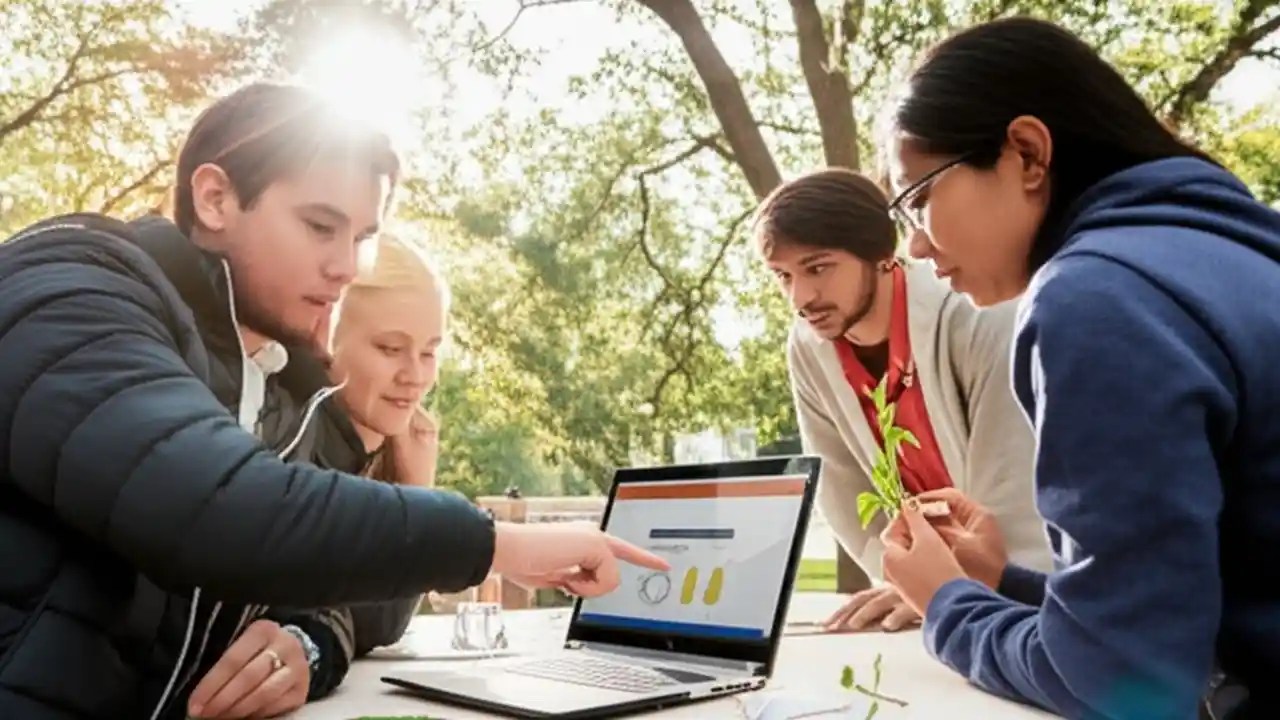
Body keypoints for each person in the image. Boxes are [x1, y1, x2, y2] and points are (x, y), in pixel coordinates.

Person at [0, 81, 666, 720]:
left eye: (361, 238)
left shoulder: (268, 386)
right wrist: (499, 544)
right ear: (214, 198)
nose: (347, 266)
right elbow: (217, 510)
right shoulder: (71, 289)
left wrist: (310, 641)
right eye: (321, 226)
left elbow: (352, 596)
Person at [875, 17, 1280, 720]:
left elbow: (1123, 682)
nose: (913, 247)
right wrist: (1002, 580)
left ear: (1028, 154)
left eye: (918, 198)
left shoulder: (1095, 299)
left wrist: (947, 605)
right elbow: (1191, 605)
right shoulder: (1234, 256)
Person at [752, 168, 1050, 633]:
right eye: (783, 276)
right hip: (937, 600)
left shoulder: (977, 315)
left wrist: (952, 586)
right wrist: (903, 575)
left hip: (1035, 590)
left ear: (879, 253)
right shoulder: (808, 346)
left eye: (817, 268)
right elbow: (840, 482)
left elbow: (1014, 482)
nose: (801, 297)